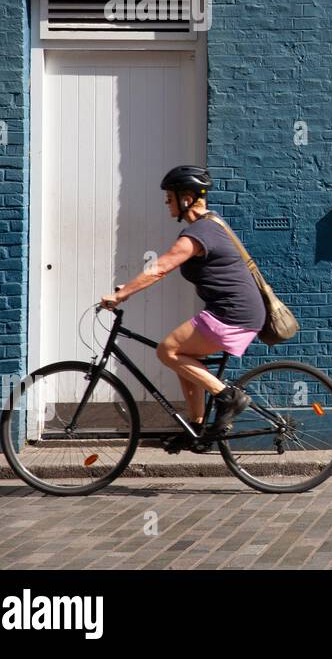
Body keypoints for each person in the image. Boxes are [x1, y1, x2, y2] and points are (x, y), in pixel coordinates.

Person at [99, 165, 259, 450]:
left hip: (233, 313)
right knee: (183, 358)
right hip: (234, 311)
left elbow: (161, 267)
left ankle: (227, 396)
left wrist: (122, 295)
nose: (166, 203)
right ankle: (196, 427)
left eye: (169, 197)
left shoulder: (200, 233)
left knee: (168, 350)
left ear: (186, 198)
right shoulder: (209, 225)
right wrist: (128, 289)